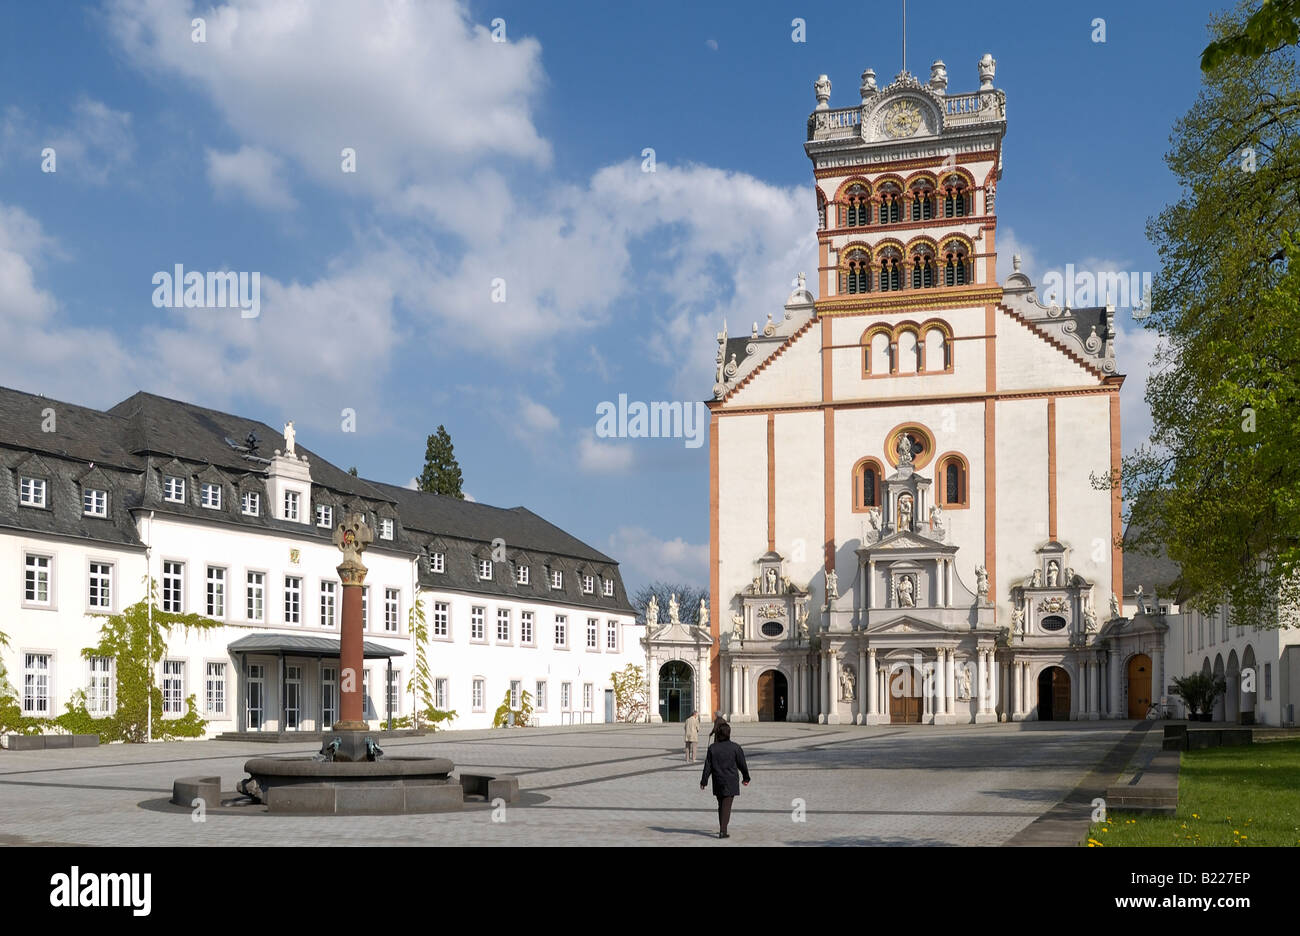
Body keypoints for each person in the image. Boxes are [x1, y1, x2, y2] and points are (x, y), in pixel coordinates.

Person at [699, 722, 750, 839]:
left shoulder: (713, 748)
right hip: (731, 780)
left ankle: (723, 828)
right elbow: (742, 764)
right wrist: (746, 778)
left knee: (721, 804)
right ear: (729, 733)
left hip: (718, 780)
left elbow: (708, 766)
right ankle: (723, 831)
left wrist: (704, 781)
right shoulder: (735, 747)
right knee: (726, 805)